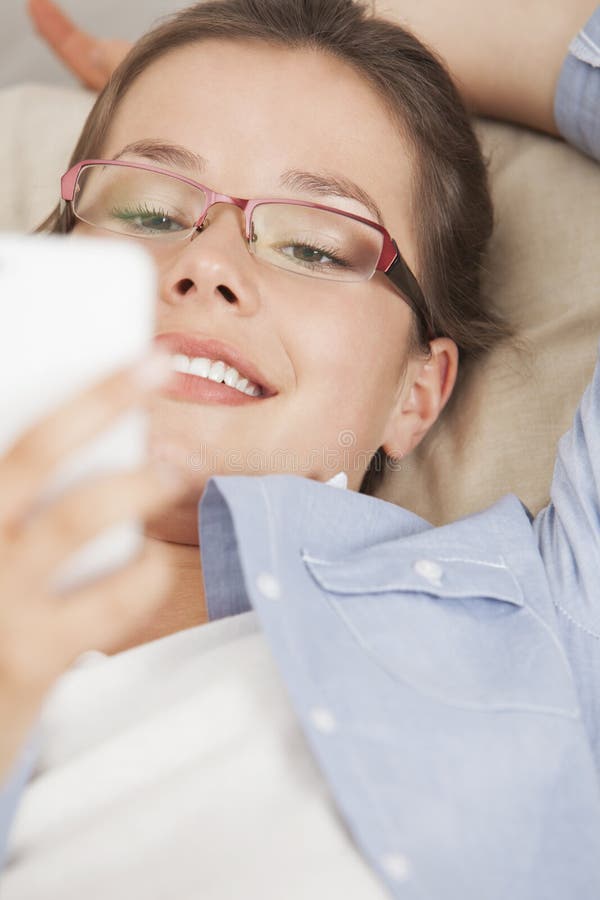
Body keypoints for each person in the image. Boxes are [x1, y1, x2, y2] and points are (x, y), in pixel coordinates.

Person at [1, 0, 600, 896]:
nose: (206, 264)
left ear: (418, 393)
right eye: (151, 209)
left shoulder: (554, 621)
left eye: (316, 246)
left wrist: (372, 15)